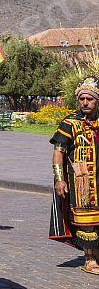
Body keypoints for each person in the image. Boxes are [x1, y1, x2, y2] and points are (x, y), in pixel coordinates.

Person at [50, 76, 99, 275]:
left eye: (90, 99)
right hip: (82, 181)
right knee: (87, 221)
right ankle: (89, 258)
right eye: (82, 99)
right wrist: (59, 179)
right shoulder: (70, 123)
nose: (85, 103)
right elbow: (58, 153)